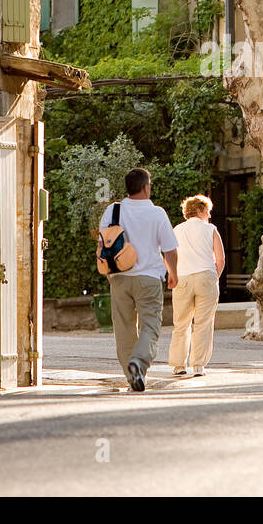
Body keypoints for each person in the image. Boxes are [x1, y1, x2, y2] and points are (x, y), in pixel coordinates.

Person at [99, 167, 178, 392]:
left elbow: (103, 245)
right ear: (146, 187)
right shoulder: (157, 213)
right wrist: (173, 273)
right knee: (150, 326)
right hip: (149, 278)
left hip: (119, 278)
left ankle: (131, 376)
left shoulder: (112, 210)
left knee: (123, 328)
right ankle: (139, 363)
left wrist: (109, 273)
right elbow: (170, 250)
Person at [166, 194, 226, 377]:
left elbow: (169, 255)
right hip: (206, 276)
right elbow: (220, 258)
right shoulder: (211, 229)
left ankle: (178, 365)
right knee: (203, 323)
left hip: (183, 278)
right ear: (200, 211)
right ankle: (198, 365)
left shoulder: (177, 230)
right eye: (207, 211)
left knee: (181, 323)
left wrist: (172, 274)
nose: (209, 215)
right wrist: (215, 276)